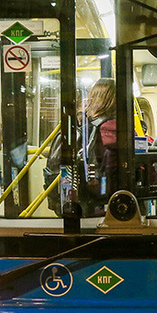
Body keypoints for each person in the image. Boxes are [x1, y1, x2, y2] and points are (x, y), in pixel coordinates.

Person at [44, 78, 119, 214]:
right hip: (116, 206)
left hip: (81, 210)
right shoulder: (124, 131)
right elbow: (151, 177)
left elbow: (56, 174)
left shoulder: (76, 132)